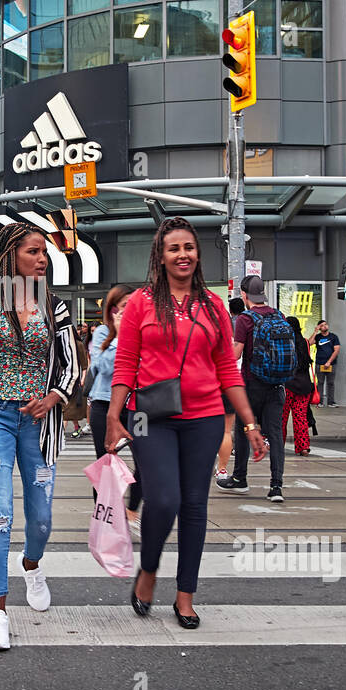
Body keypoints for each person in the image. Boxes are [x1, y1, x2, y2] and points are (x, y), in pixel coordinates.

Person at [108, 217, 267, 629]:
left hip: (205, 416)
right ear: (160, 257)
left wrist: (249, 423)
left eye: (189, 248)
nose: (183, 255)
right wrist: (113, 414)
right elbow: (125, 364)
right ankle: (148, 570)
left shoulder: (213, 306)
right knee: (162, 499)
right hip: (146, 415)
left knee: (195, 505)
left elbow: (227, 371)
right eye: (174, 248)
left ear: (198, 254)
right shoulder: (142, 303)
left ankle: (185, 595)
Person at [0, 222, 80, 651]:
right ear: (9, 256)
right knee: (0, 514)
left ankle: (32, 563)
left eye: (44, 252)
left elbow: (71, 366)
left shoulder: (54, 307)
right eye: (32, 251)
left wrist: (54, 396)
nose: (42, 259)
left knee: (41, 518)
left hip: (39, 426)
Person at [218, 274, 290, 503]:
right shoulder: (279, 315)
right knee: (276, 434)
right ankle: (276, 486)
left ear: (245, 295)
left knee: (241, 428)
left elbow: (236, 353)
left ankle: (240, 478)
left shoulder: (245, 319)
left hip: (252, 385)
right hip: (277, 385)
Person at [88, 284, 143, 533]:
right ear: (112, 311)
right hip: (104, 404)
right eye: (124, 307)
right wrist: (121, 336)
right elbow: (103, 367)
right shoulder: (102, 333)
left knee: (146, 460)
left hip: (139, 406)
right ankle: (108, 515)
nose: (130, 311)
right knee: (107, 464)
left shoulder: (145, 330)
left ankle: (132, 510)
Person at [215, 296, 247, 482]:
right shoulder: (235, 342)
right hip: (229, 387)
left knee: (202, 429)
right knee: (226, 430)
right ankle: (222, 469)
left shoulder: (206, 338)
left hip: (208, 388)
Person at [283, 316, 315, 456]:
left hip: (288, 384)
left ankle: (279, 444)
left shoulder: (285, 343)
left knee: (281, 418)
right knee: (300, 417)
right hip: (304, 385)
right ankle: (303, 447)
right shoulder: (305, 343)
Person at [65, 324, 91, 438]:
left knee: (69, 406)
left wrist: (83, 378)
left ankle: (61, 431)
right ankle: (75, 427)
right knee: (67, 407)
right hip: (63, 378)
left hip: (74, 379)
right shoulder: (63, 344)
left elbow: (84, 365)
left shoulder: (79, 345)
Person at [308, 319, 341, 407]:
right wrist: (315, 332)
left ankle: (331, 402)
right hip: (319, 363)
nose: (325, 326)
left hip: (331, 364)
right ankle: (320, 401)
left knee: (331, 383)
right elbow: (309, 343)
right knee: (320, 383)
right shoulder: (318, 337)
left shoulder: (333, 337)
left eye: (326, 324)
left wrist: (329, 362)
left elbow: (336, 350)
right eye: (322, 325)